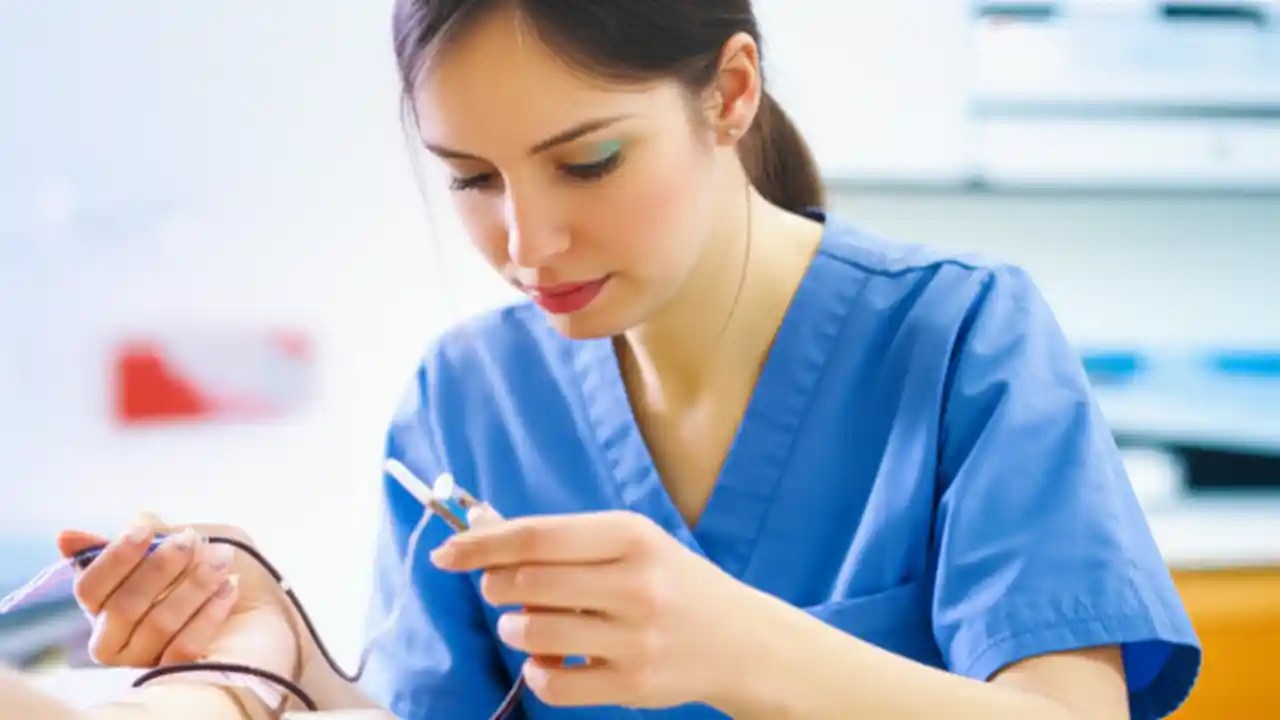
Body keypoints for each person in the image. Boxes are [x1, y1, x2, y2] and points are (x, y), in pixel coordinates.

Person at [8, 1, 1201, 718]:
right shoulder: (468, 398)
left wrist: (735, 645)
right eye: (471, 179)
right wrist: (282, 666)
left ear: (728, 92)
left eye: (584, 163)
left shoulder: (958, 340)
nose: (525, 246)